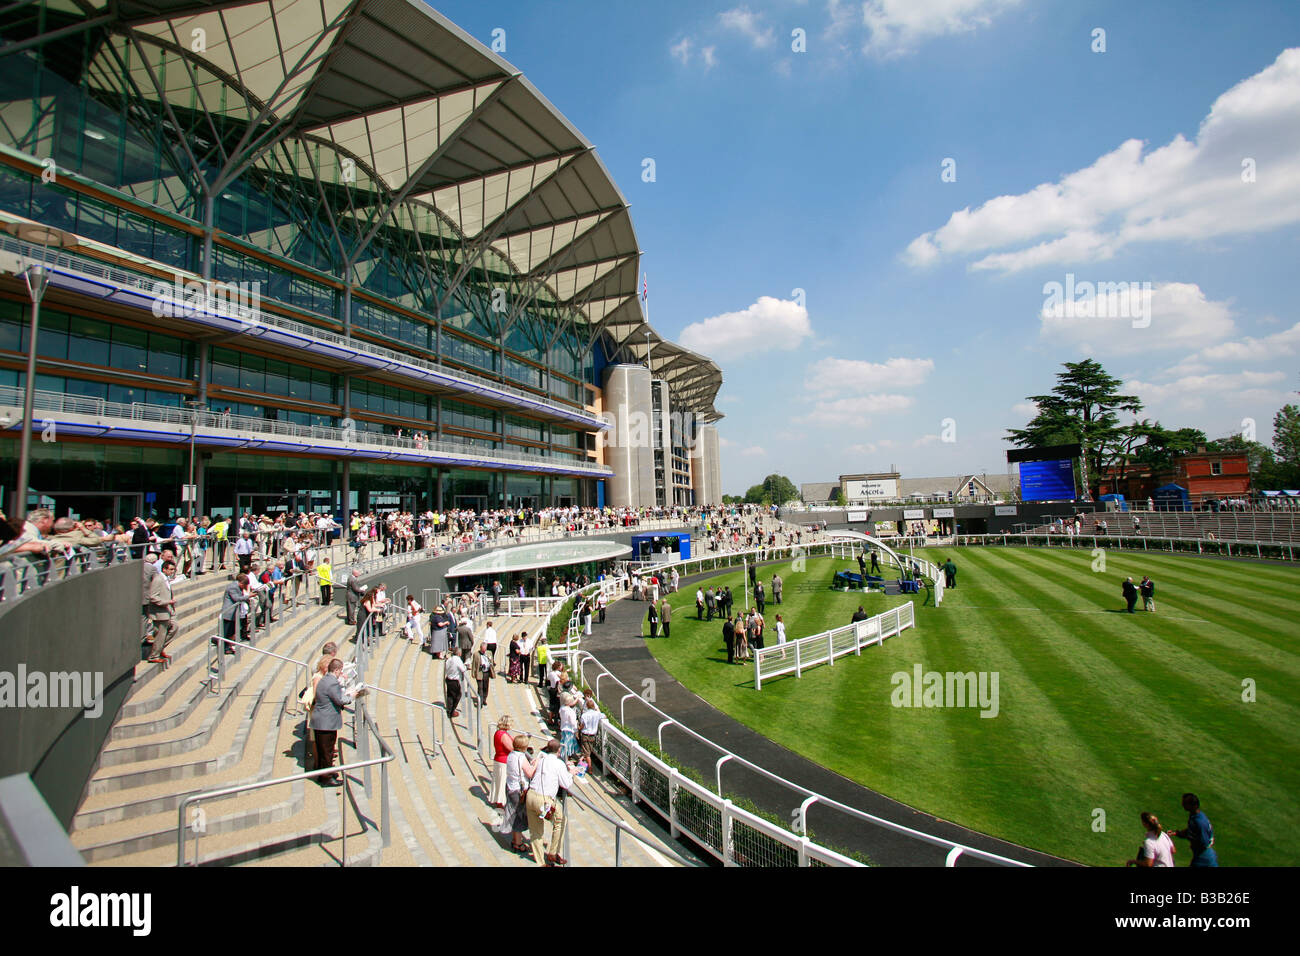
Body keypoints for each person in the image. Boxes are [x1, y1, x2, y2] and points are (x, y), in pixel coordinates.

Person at [311, 658, 364, 786]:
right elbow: (340, 700)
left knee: (326, 750)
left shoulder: (327, 680)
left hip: (322, 721)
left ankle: (327, 772)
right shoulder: (331, 683)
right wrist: (353, 695)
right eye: (340, 671)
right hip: (325, 723)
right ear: (336, 670)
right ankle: (326, 777)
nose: (341, 673)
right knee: (327, 750)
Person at [526, 738, 573, 866]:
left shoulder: (541, 759)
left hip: (530, 796)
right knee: (561, 821)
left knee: (535, 832)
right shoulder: (559, 764)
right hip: (544, 799)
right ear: (559, 750)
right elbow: (566, 783)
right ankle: (553, 853)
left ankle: (541, 862)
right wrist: (571, 773)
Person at [497, 733, 537, 853]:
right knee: (519, 816)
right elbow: (529, 773)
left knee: (513, 813)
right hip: (519, 790)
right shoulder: (521, 757)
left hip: (510, 786)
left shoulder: (511, 755)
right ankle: (518, 843)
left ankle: (515, 840)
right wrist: (535, 764)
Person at [1168, 793, 1218, 867]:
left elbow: (1204, 842)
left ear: (1192, 805)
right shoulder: (1195, 816)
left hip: (1204, 857)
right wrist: (1177, 833)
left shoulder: (1200, 822)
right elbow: (1191, 830)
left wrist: (1189, 836)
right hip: (1203, 856)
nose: (1182, 805)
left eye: (1185, 803)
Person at [219, 573, 251, 651]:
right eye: (244, 585)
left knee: (231, 631)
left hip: (234, 613)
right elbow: (236, 598)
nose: (244, 587)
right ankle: (224, 648)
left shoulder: (237, 587)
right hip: (229, 613)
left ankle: (227, 646)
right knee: (226, 631)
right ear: (241, 583)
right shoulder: (233, 587)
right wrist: (249, 596)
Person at [490, 715, 514, 808]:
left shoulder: (498, 732)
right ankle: (501, 802)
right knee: (502, 781)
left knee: (498, 781)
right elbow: (511, 748)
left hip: (498, 759)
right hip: (503, 761)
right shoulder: (503, 734)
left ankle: (498, 800)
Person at [578, 698, 603, 769]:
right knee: (588, 752)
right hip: (593, 736)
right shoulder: (597, 714)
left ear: (587, 706)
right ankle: (583, 763)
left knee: (587, 753)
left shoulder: (584, 715)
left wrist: (578, 728)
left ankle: (589, 768)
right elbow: (604, 716)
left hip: (585, 735)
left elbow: (582, 726)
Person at [444, 647, 467, 717]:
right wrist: (465, 666)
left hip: (448, 679)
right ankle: (451, 711)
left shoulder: (449, 659)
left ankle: (449, 710)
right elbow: (463, 669)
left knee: (449, 695)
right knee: (457, 695)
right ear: (459, 653)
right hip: (454, 680)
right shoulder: (457, 660)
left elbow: (446, 668)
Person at [558, 693, 579, 758]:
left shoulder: (561, 708)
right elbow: (573, 722)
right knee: (568, 744)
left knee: (564, 741)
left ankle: (566, 755)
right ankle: (565, 757)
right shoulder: (570, 711)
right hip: (570, 729)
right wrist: (576, 729)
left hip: (563, 727)